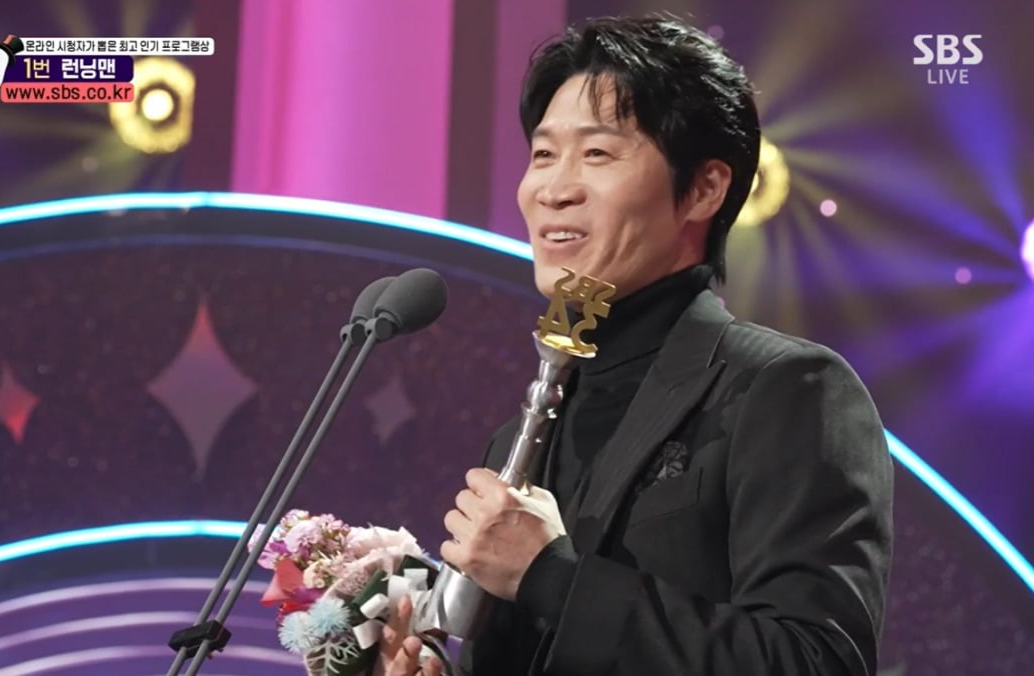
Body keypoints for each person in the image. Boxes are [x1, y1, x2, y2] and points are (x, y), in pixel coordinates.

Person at [378, 13, 894, 676]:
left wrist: (552, 577)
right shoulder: (521, 436)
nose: (554, 190)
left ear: (704, 188)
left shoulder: (784, 390)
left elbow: (817, 661)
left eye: (597, 154)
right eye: (543, 155)